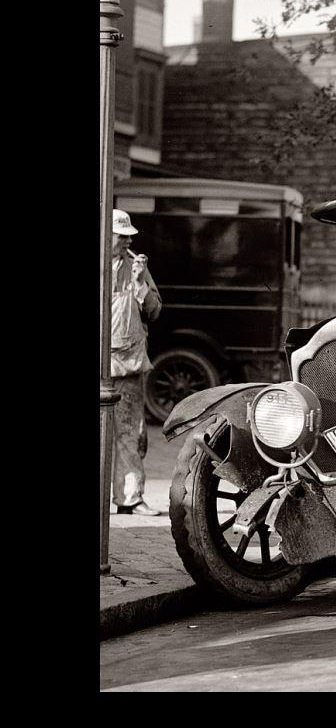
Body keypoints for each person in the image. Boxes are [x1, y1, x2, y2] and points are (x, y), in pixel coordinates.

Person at [109, 209, 165, 516]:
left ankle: (130, 497)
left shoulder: (136, 267)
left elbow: (154, 311)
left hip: (129, 362)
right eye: (122, 235)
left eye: (129, 236)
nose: (128, 240)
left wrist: (141, 282)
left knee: (129, 431)